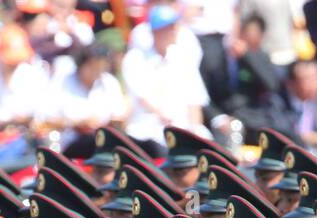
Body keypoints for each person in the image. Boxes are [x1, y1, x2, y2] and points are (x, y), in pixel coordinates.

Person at [122, 5, 210, 154]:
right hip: (147, 129)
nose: (174, 30)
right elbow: (142, 98)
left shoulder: (182, 58)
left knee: (210, 150)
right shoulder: (135, 58)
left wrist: (194, 129)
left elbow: (195, 101)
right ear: (156, 31)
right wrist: (167, 118)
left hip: (182, 128)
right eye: (169, 27)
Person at [44, 41, 128, 158]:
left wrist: (110, 123)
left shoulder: (109, 82)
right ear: (81, 65)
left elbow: (121, 115)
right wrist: (75, 123)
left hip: (103, 141)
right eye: (93, 67)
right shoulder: (62, 82)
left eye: (101, 67)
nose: (97, 71)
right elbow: (45, 119)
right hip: (69, 144)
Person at [282, 60, 317, 160]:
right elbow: (281, 134)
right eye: (308, 79)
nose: (316, 84)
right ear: (291, 84)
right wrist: (313, 138)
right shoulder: (277, 103)